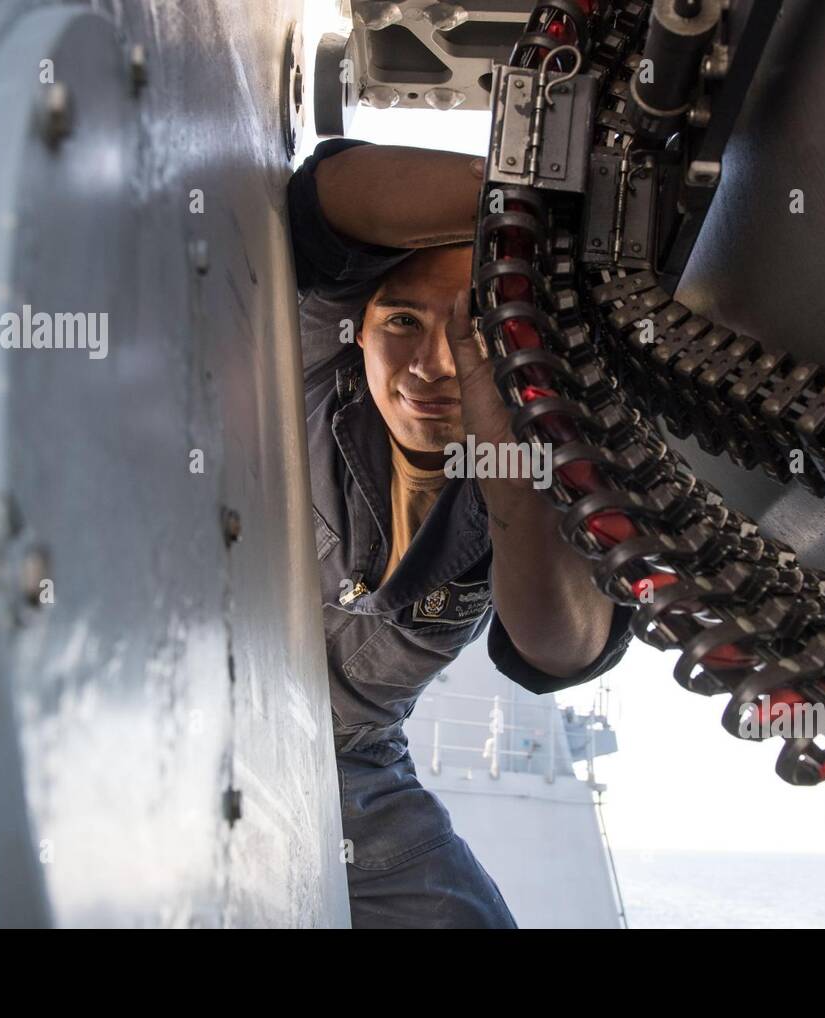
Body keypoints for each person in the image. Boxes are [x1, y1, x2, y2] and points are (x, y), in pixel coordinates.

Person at [287, 139, 633, 928]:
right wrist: (561, 205)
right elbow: (330, 200)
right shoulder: (313, 369)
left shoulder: (554, 464)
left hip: (356, 759)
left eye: (474, 326)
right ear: (358, 328)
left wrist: (501, 418)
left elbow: (560, 650)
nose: (432, 363)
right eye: (403, 319)